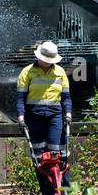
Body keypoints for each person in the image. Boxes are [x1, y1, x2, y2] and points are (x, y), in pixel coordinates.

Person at [15, 40, 72, 178]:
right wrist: (21, 118)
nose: (48, 62)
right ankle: (46, 192)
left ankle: (64, 191)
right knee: (39, 156)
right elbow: (20, 98)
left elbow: (66, 97)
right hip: (34, 115)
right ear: (39, 57)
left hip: (55, 115)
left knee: (58, 153)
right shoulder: (27, 72)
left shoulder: (60, 72)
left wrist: (68, 114)